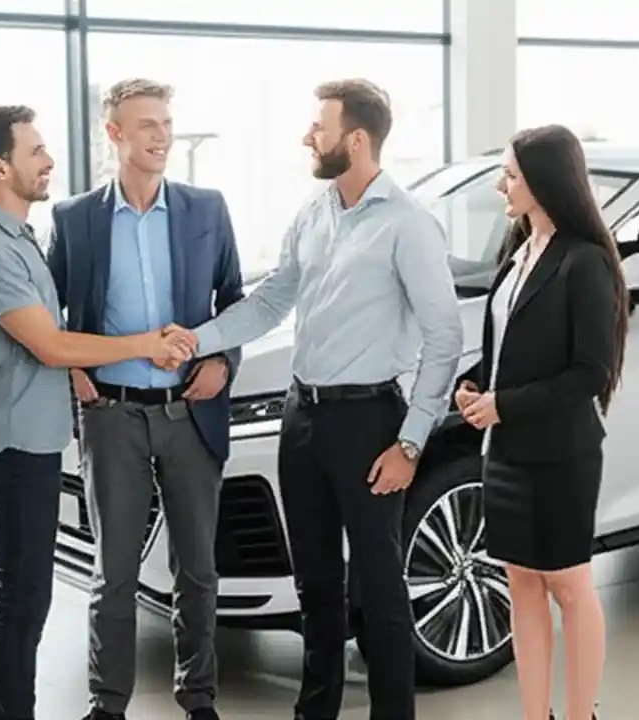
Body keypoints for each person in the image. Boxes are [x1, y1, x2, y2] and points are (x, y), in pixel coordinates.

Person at [167, 78, 463, 720]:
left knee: (379, 586)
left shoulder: (408, 224)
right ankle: (316, 713)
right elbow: (274, 300)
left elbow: (446, 338)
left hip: (371, 420)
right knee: (316, 584)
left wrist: (411, 441)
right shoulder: (314, 211)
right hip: (301, 417)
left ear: (355, 139)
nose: (309, 136)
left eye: (319, 127)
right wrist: (198, 341)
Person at [0, 105, 192, 720]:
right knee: (22, 604)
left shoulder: (19, 237)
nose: (48, 160)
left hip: (15, 439)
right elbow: (53, 344)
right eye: (35, 152)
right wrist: (143, 344)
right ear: (0, 168)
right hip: (16, 445)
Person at [45, 79, 244, 720]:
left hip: (191, 410)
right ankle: (108, 704)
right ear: (115, 134)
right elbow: (50, 315)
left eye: (166, 122)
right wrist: (72, 375)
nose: (161, 136)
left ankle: (200, 698)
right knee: (115, 572)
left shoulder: (206, 209)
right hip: (112, 413)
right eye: (147, 125)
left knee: (198, 569)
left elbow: (234, 301)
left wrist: (221, 360)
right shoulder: (75, 219)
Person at [454, 124, 628, 720]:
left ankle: (581, 715)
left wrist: (505, 404)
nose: (502, 185)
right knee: (522, 584)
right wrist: (476, 383)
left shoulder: (586, 264)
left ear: (543, 181)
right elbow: (508, 344)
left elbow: (589, 374)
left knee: (568, 585)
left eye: (511, 175)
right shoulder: (517, 251)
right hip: (504, 452)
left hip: (561, 453)